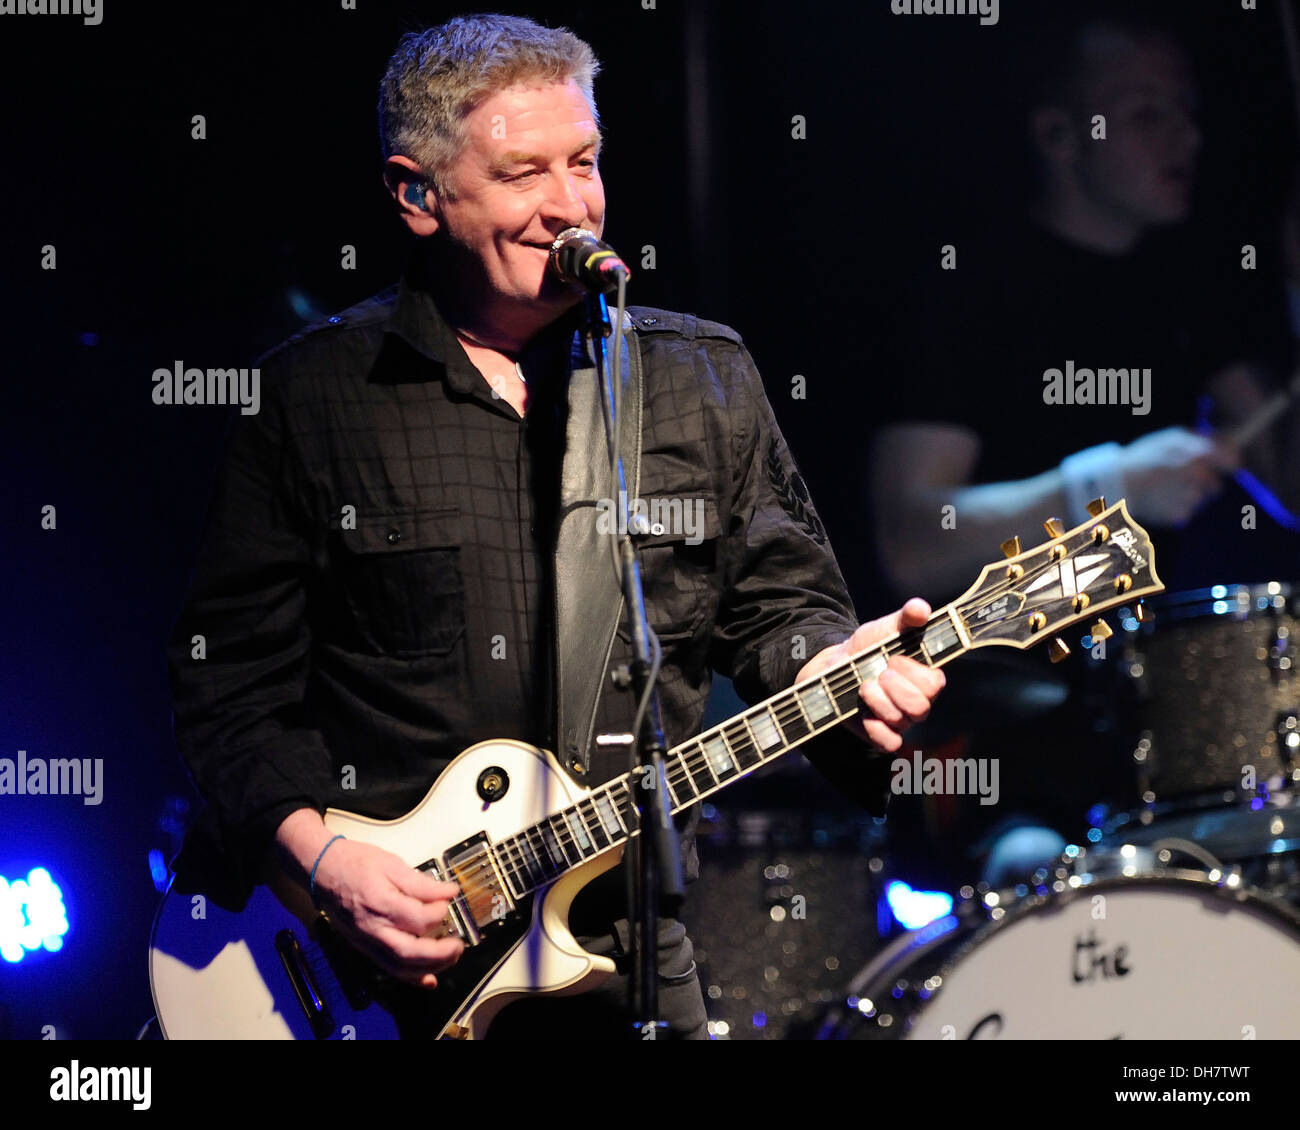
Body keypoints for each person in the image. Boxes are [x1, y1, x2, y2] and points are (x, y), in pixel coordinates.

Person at [165, 13, 945, 1040]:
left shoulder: (700, 378)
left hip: (626, 950)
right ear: (417, 194)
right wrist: (323, 862)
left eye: (584, 161)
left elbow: (782, 609)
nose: (570, 208)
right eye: (522, 173)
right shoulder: (311, 398)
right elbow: (227, 686)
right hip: (365, 963)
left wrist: (831, 669)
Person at [866, 9, 1298, 887]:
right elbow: (910, 537)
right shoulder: (973, 293)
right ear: (1061, 133)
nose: (1186, 136)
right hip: (1010, 728)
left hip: (1178, 726)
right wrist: (1105, 483)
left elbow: (1288, 481)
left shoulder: (1196, 281)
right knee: (1036, 872)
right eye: (1146, 113)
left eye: (1187, 111)